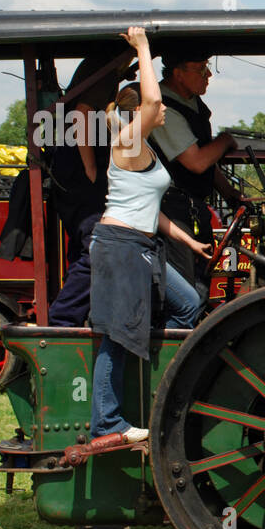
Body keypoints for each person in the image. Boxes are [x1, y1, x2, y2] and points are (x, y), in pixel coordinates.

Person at [89, 27, 209, 444]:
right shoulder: (127, 139)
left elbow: (150, 210)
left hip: (144, 244)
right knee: (118, 332)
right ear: (141, 111)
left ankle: (161, 391)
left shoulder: (145, 150)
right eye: (155, 109)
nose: (162, 112)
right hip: (120, 247)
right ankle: (108, 424)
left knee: (188, 303)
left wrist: (188, 241)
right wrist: (142, 48)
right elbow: (155, 99)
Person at [147, 45, 244, 301]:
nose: (208, 76)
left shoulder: (192, 103)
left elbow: (206, 163)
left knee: (201, 287)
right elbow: (197, 162)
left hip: (193, 210)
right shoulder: (163, 109)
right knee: (185, 294)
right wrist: (225, 141)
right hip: (171, 212)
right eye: (202, 70)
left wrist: (232, 195)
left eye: (207, 68)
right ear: (178, 74)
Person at [48, 48, 137, 326]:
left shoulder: (103, 70)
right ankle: (62, 320)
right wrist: (90, 167)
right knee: (96, 247)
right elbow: (82, 114)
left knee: (86, 247)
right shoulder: (103, 67)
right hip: (78, 170)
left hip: (70, 169)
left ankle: (82, 317)